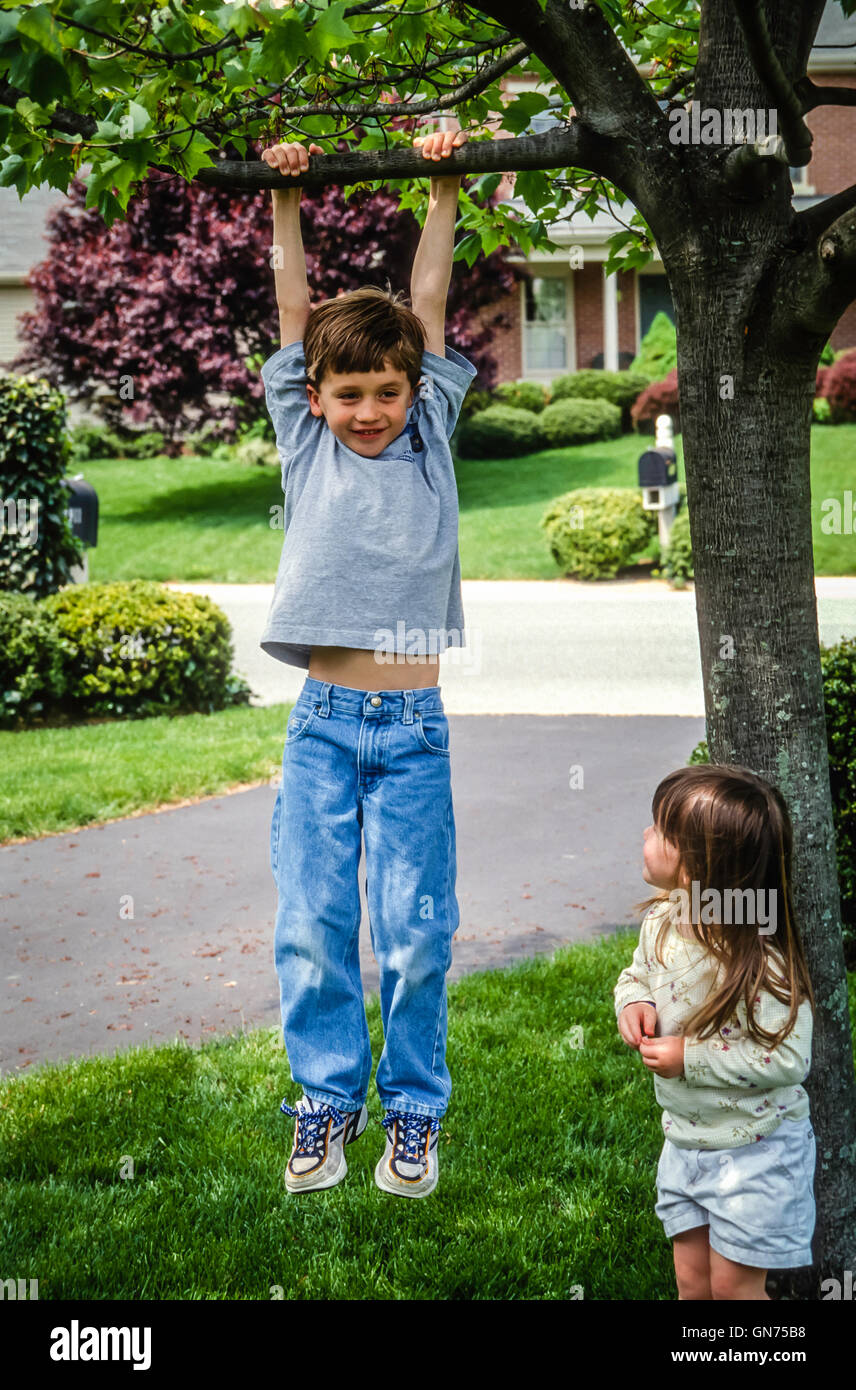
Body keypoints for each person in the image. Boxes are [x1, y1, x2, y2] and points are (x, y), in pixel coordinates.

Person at [259, 127, 476, 1199]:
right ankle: (324, 1105)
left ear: (412, 388)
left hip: (413, 731)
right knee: (312, 925)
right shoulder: (305, 440)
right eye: (347, 394)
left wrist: (443, 190)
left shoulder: (430, 429)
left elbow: (425, 306)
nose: (369, 411)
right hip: (321, 721)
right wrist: (286, 198)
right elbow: (296, 317)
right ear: (314, 397)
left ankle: (414, 1116)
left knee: (416, 934)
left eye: (385, 391)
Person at [614, 764, 816, 1299]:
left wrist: (692, 1058)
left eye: (660, 830)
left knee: (733, 1290)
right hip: (686, 1141)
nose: (644, 835)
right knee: (692, 1282)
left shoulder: (758, 961)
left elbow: (789, 1061)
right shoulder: (661, 921)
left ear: (694, 869)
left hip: (757, 1150)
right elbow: (636, 974)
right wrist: (632, 1001)